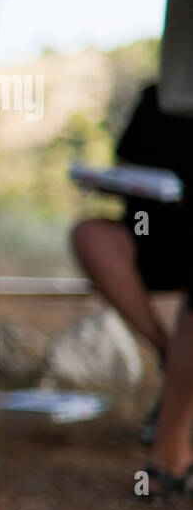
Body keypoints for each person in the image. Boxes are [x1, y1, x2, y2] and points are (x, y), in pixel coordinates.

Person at [68, 83, 189, 444]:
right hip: (152, 238)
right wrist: (106, 181)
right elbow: (127, 166)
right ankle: (172, 357)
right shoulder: (159, 95)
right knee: (90, 234)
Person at [137, 0, 193, 502]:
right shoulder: (162, 99)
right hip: (158, 219)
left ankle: (173, 445)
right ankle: (172, 444)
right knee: (94, 238)